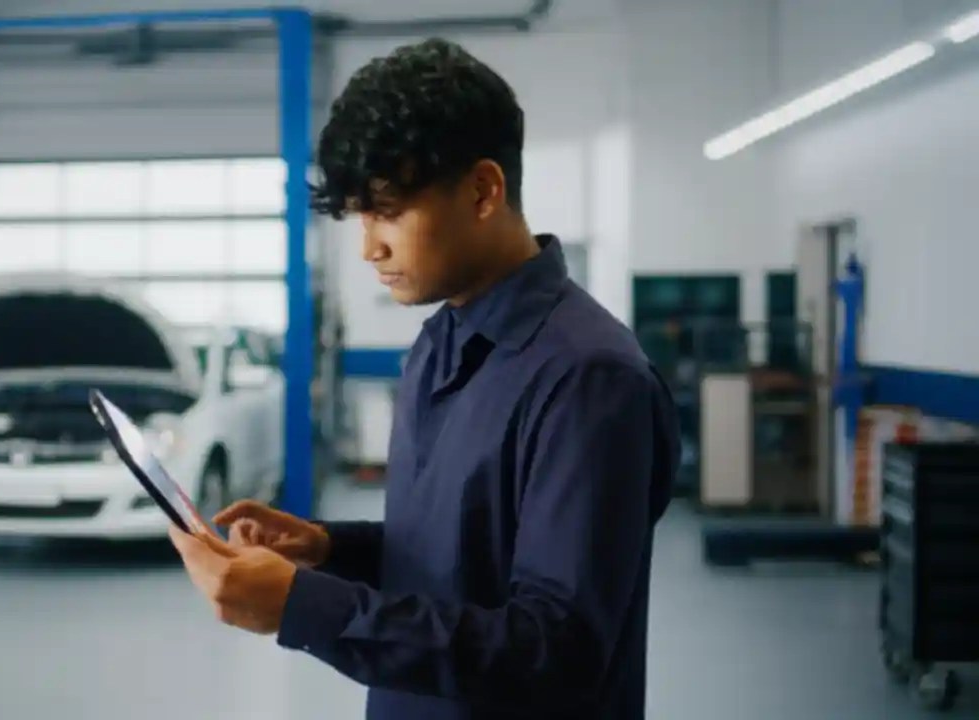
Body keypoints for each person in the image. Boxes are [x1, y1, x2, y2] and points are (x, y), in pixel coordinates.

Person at [169, 38, 680, 720]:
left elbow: (556, 650)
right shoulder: (440, 343)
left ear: (482, 191)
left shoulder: (589, 379)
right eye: (359, 215)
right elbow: (455, 563)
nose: (368, 245)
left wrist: (305, 607)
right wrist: (328, 550)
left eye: (388, 210)